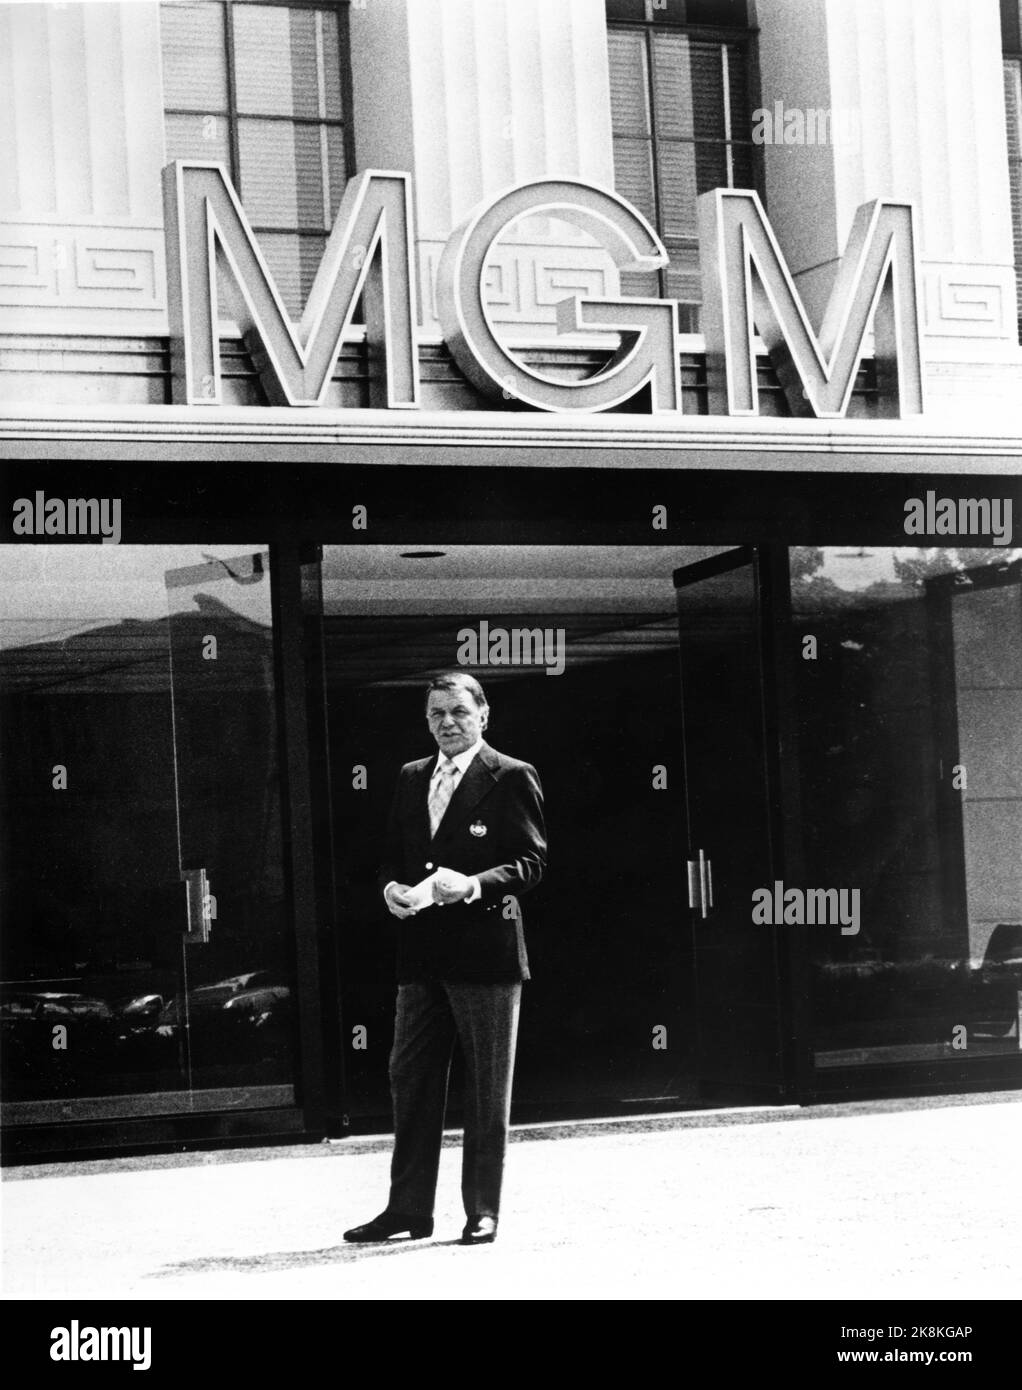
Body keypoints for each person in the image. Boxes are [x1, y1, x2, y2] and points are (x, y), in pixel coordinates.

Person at [344, 671, 546, 1246]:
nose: (448, 723)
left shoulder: (511, 776)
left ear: (484, 715)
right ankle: (407, 1210)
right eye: (436, 714)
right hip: (422, 957)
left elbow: (531, 862)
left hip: (487, 955)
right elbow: (390, 860)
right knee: (409, 1077)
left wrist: (475, 884)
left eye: (459, 711)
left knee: (486, 1087)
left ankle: (483, 1210)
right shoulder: (411, 778)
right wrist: (390, 892)